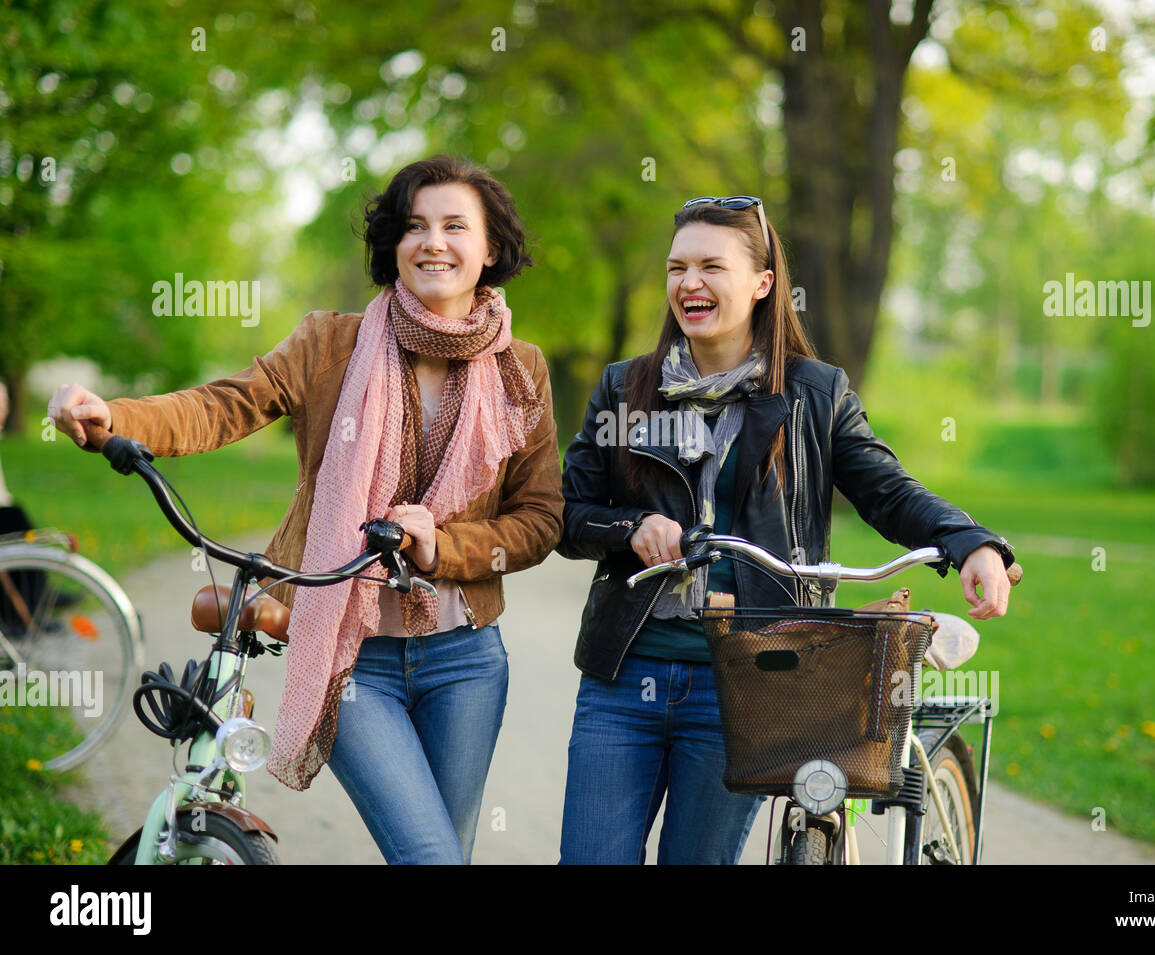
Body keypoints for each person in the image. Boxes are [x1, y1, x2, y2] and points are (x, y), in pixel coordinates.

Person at [48, 155, 564, 865]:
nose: (432, 242)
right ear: (393, 245)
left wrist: (443, 546)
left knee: (448, 853)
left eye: (454, 225)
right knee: (431, 857)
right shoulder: (332, 343)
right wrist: (117, 417)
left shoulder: (520, 368)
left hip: (467, 659)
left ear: (492, 249)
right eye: (414, 226)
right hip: (353, 660)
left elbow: (539, 519)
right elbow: (223, 404)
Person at [556, 195, 1014, 864]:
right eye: (677, 267)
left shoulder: (814, 393)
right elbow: (566, 515)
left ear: (762, 283)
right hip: (625, 677)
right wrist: (632, 526)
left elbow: (887, 490)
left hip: (750, 677)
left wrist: (971, 540)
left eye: (712, 266)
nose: (690, 283)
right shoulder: (626, 388)